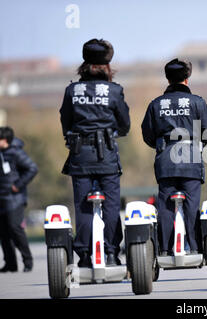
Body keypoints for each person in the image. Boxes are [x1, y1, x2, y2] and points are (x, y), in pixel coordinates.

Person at [59, 39, 130, 267]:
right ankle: (110, 253)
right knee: (110, 205)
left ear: (84, 64)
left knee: (83, 206)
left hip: (80, 156)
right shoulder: (114, 90)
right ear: (107, 66)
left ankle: (85, 256)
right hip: (107, 155)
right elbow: (125, 125)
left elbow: (66, 121)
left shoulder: (72, 90)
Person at [141, 58, 207, 256]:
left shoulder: (156, 104)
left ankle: (165, 249)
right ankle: (195, 247)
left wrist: (161, 146)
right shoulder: (197, 102)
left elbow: (147, 134)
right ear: (187, 79)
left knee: (165, 205)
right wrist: (197, 145)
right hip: (191, 159)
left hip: (165, 159)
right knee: (192, 204)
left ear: (167, 79)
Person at [0, 127, 38, 272]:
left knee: (15, 228)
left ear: (5, 140)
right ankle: (10, 264)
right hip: (1, 198)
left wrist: (18, 185)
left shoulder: (16, 152)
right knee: (3, 232)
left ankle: (28, 261)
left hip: (14, 198)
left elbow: (32, 168)